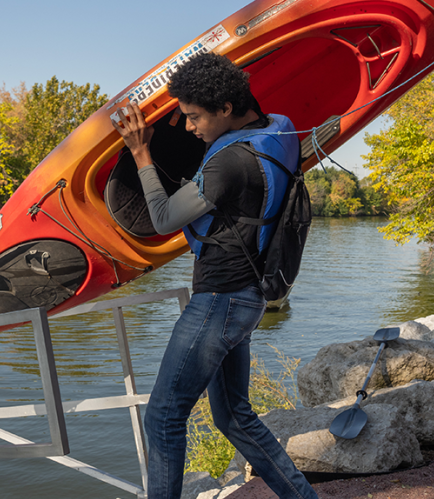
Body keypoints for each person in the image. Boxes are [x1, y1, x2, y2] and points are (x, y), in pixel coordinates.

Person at [112, 53, 316, 499]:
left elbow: (165, 217)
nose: (188, 127)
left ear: (225, 108)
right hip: (247, 297)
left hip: (220, 301)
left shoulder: (230, 163)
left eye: (193, 117)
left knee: (164, 415)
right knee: (233, 417)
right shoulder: (274, 131)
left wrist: (141, 154)